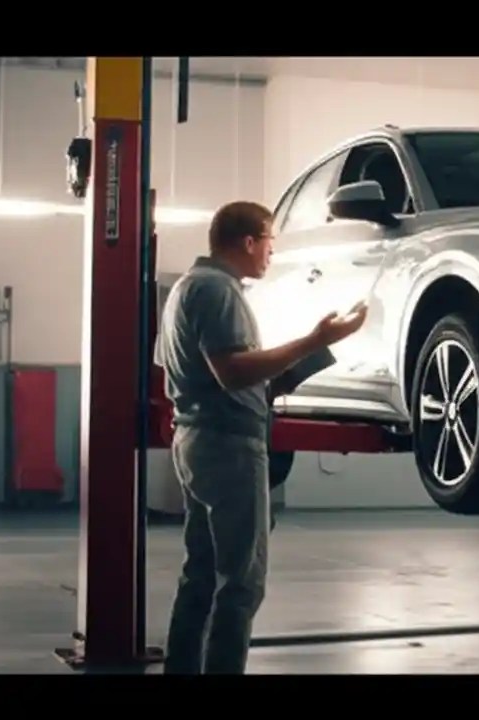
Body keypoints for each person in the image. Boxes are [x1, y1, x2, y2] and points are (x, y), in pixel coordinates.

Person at [154, 200, 367, 674]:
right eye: (270, 241)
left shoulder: (190, 288)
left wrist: (310, 360)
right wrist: (312, 339)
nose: (272, 252)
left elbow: (225, 377)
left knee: (203, 574)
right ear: (249, 242)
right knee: (242, 583)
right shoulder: (217, 291)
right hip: (228, 447)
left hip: (198, 440)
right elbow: (231, 372)